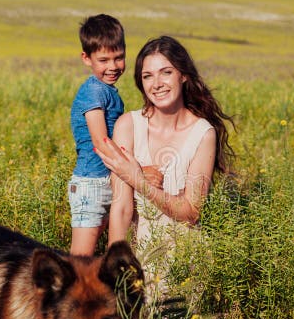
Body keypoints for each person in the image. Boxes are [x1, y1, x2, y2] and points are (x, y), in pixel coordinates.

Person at [95, 36, 234, 286]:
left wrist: (136, 177)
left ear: (183, 75)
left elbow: (190, 212)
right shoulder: (128, 125)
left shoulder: (202, 134)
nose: (157, 84)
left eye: (166, 72)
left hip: (184, 263)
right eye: (148, 76)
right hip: (138, 259)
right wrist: (114, 270)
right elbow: (121, 209)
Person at [67, 14, 128, 256]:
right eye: (103, 60)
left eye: (119, 57)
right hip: (91, 184)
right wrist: (138, 173)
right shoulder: (93, 92)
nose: (112, 67)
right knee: (81, 257)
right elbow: (101, 143)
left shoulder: (107, 91)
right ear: (86, 58)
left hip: (107, 179)